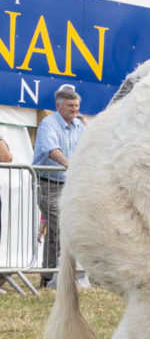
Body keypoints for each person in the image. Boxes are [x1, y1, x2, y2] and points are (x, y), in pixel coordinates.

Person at [33, 85, 87, 288]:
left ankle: (48, 277)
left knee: (56, 232)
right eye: (70, 106)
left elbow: (87, 147)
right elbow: (51, 150)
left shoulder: (79, 126)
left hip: (69, 185)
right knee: (64, 228)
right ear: (58, 106)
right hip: (48, 184)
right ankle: (65, 278)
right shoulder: (49, 124)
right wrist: (69, 164)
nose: (74, 110)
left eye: (77, 106)